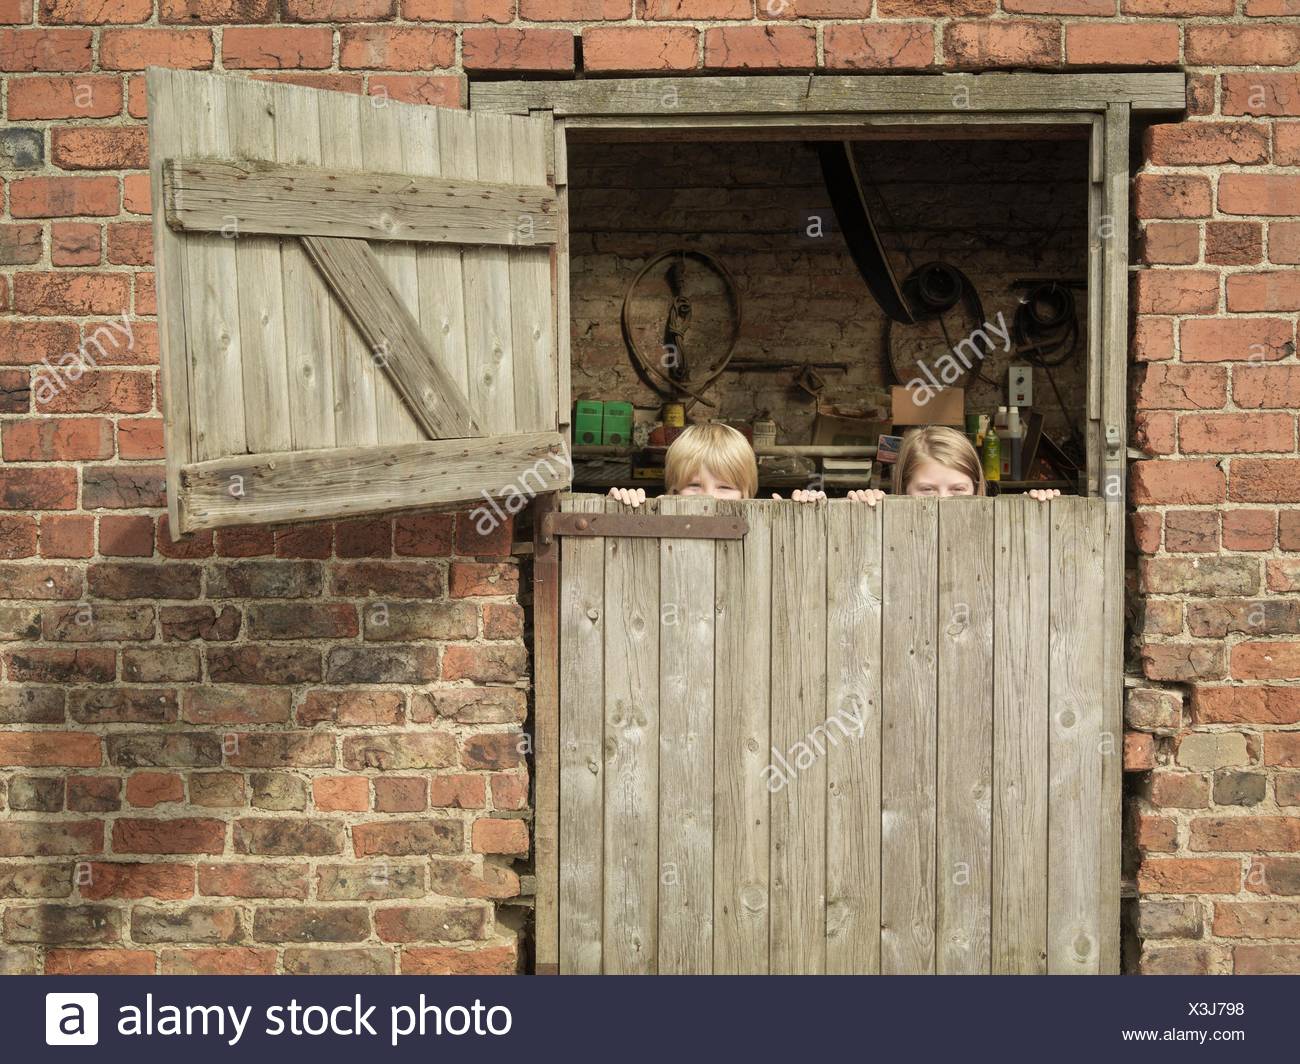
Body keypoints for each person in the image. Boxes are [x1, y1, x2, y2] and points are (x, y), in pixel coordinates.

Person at [608, 422, 825, 507]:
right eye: (694, 485)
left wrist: (804, 513)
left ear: (746, 495)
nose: (708, 497)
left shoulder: (767, 528)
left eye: (725, 487)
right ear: (672, 491)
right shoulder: (654, 519)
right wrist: (619, 508)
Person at [848, 425, 1060, 505]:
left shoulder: (999, 533)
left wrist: (1032, 513)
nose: (943, 500)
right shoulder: (887, 531)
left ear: (977, 488)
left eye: (958, 489)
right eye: (927, 489)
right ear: (903, 488)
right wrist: (863, 511)